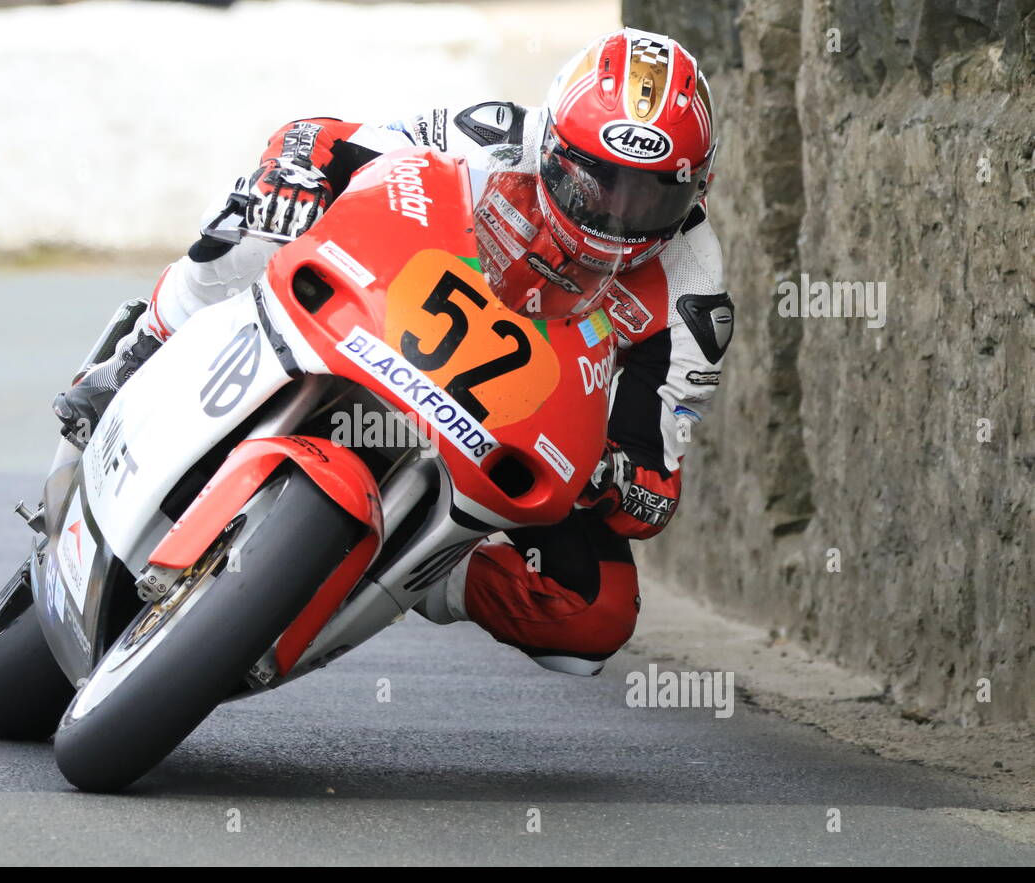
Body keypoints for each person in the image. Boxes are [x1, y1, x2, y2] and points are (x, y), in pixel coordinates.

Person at [53, 27, 734, 677]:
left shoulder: (693, 292)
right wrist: (292, 175)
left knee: (595, 617)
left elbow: (655, 491)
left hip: (501, 428)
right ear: (553, 146)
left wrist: (610, 478)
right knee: (251, 219)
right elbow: (324, 137)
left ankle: (420, 569)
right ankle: (142, 349)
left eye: (650, 195)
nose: (613, 214)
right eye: (597, 180)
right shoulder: (495, 136)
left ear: (696, 190)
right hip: (384, 318)